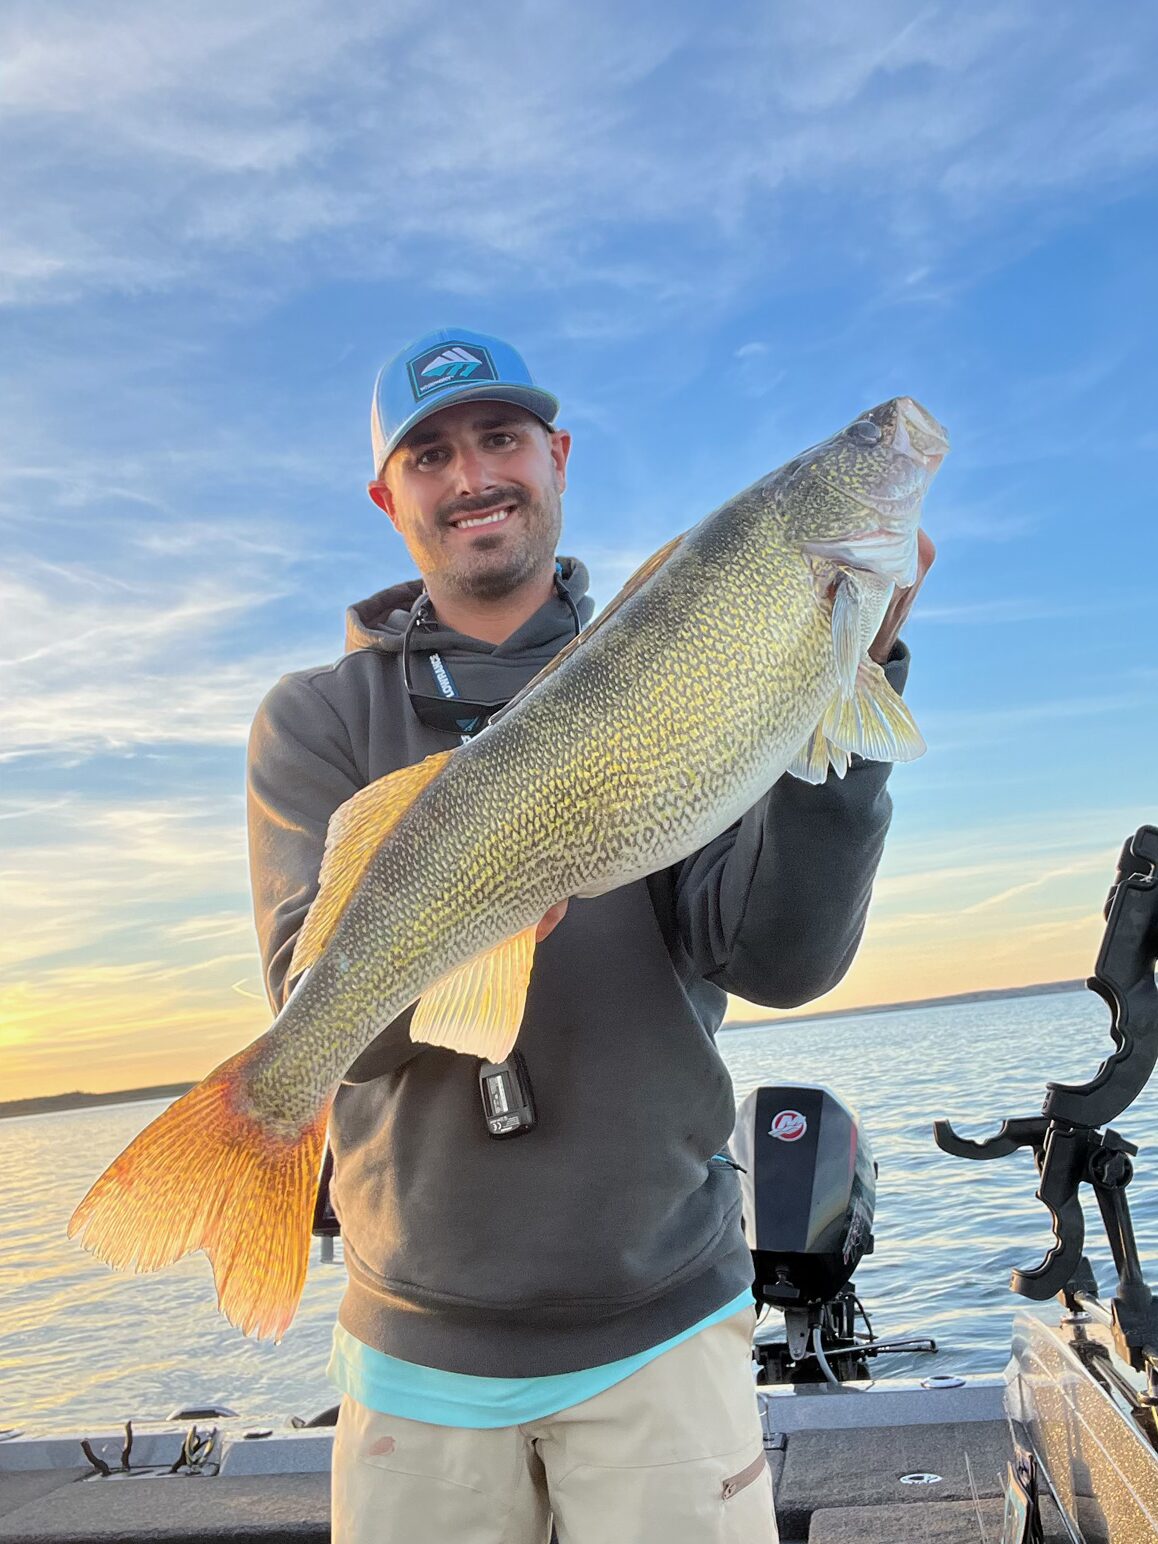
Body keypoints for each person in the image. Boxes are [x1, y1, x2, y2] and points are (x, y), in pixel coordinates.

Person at [246, 327, 933, 1544]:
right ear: (386, 494)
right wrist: (475, 913)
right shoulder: (316, 720)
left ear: (556, 455)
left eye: (503, 437)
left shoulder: (688, 651)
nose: (474, 476)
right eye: (432, 453)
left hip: (665, 1324)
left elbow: (779, 959)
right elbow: (335, 1033)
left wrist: (852, 681)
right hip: (417, 1348)